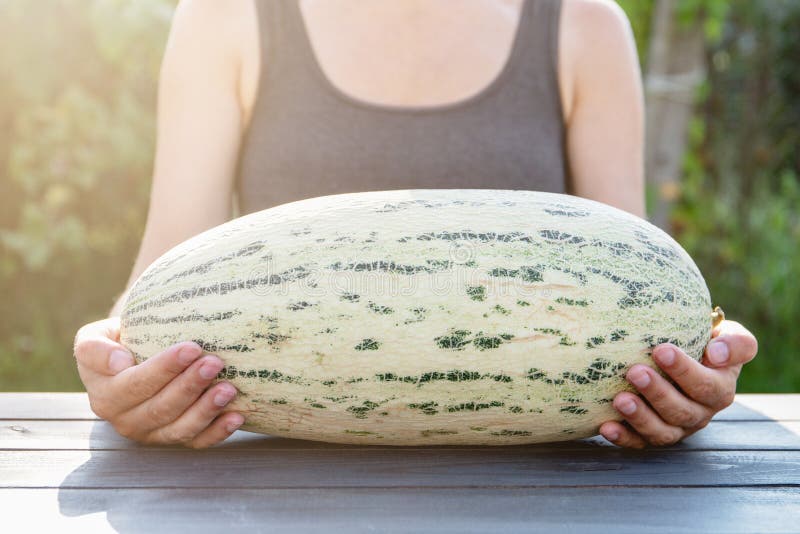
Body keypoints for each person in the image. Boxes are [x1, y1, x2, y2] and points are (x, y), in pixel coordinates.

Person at [73, 0, 758, 449]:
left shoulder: (586, 23)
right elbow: (156, 291)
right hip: (280, 497)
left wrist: (685, 371)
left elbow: (630, 286)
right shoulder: (228, 18)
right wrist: (120, 361)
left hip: (545, 505)